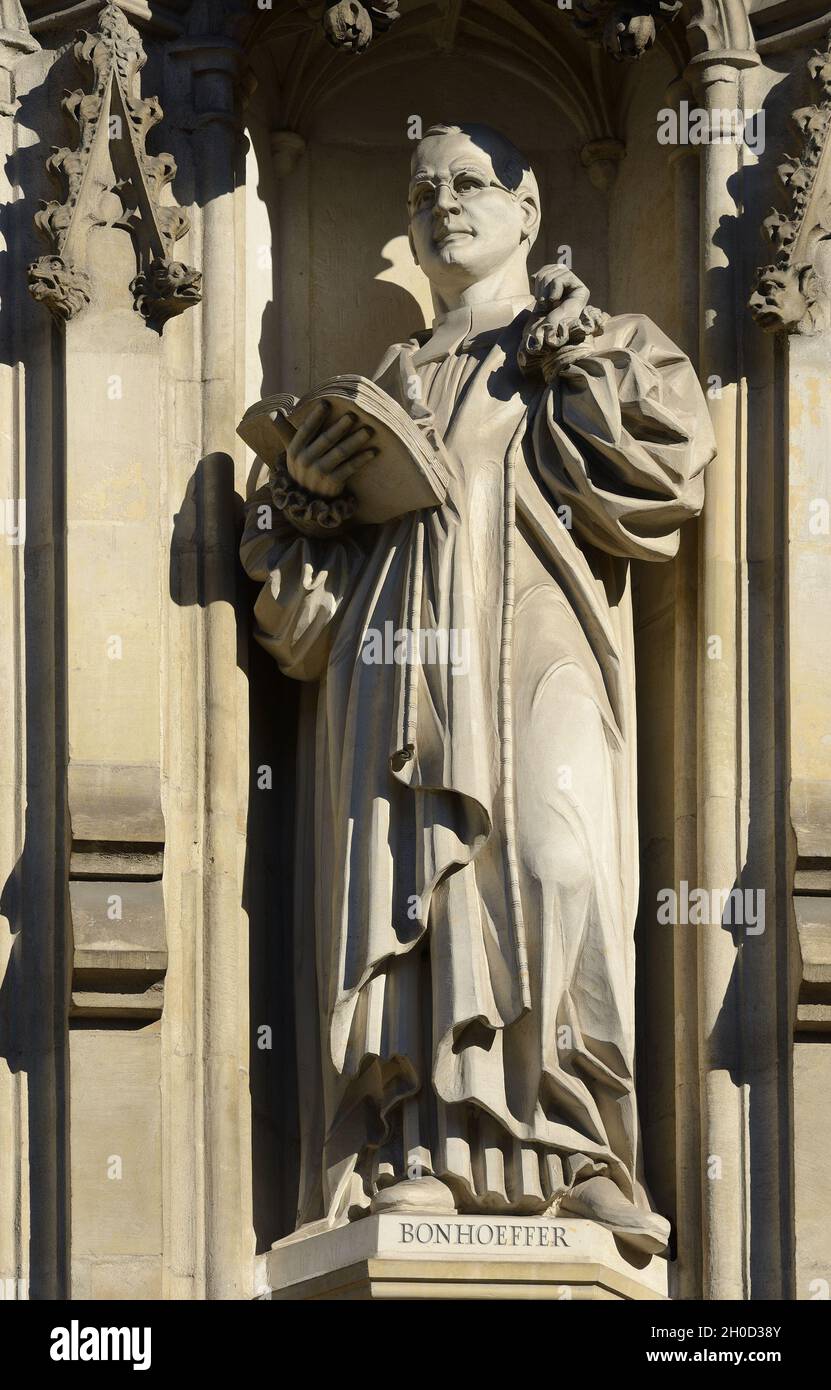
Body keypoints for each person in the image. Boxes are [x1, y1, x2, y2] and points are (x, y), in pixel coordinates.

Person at [241, 122, 715, 1253]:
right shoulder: (388, 380)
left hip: (540, 654)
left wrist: (578, 361)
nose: (443, 203)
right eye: (422, 190)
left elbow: (667, 476)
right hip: (396, 683)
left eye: (468, 183)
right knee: (421, 901)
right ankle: (419, 1153)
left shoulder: (596, 338)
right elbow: (296, 624)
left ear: (530, 206)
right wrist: (304, 502)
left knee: (557, 865)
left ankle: (582, 1146)